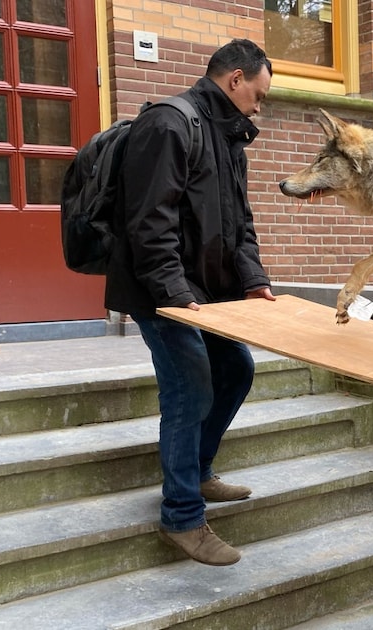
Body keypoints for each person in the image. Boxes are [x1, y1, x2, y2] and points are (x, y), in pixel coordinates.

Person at [105, 38, 276, 566]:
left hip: (206, 293)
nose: (259, 107)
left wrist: (253, 280)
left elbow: (240, 223)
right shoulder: (169, 124)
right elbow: (148, 222)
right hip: (160, 291)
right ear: (235, 79)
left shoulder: (229, 137)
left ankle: (198, 472)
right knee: (190, 386)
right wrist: (174, 294)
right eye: (259, 95)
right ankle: (181, 517)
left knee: (236, 369)